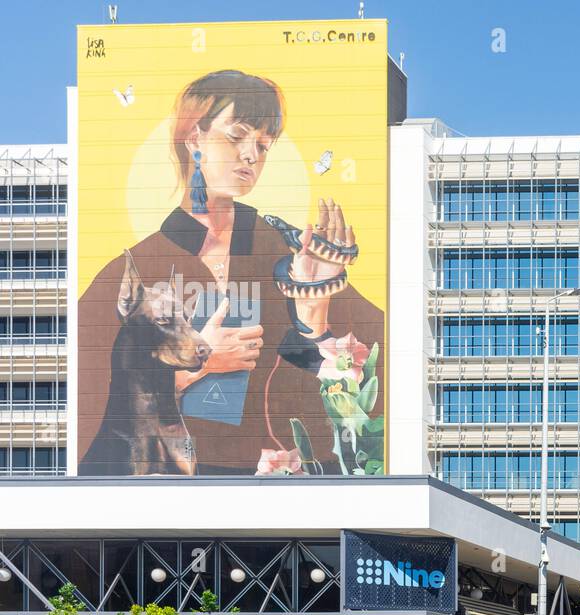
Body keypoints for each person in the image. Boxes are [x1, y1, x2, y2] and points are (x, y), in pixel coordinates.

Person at [78, 69, 383, 476]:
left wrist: (314, 313)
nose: (251, 155)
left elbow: (369, 377)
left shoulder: (284, 254)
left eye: (262, 145)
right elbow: (93, 398)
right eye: (236, 135)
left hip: (269, 494)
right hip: (165, 491)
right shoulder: (132, 266)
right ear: (194, 138)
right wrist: (201, 363)